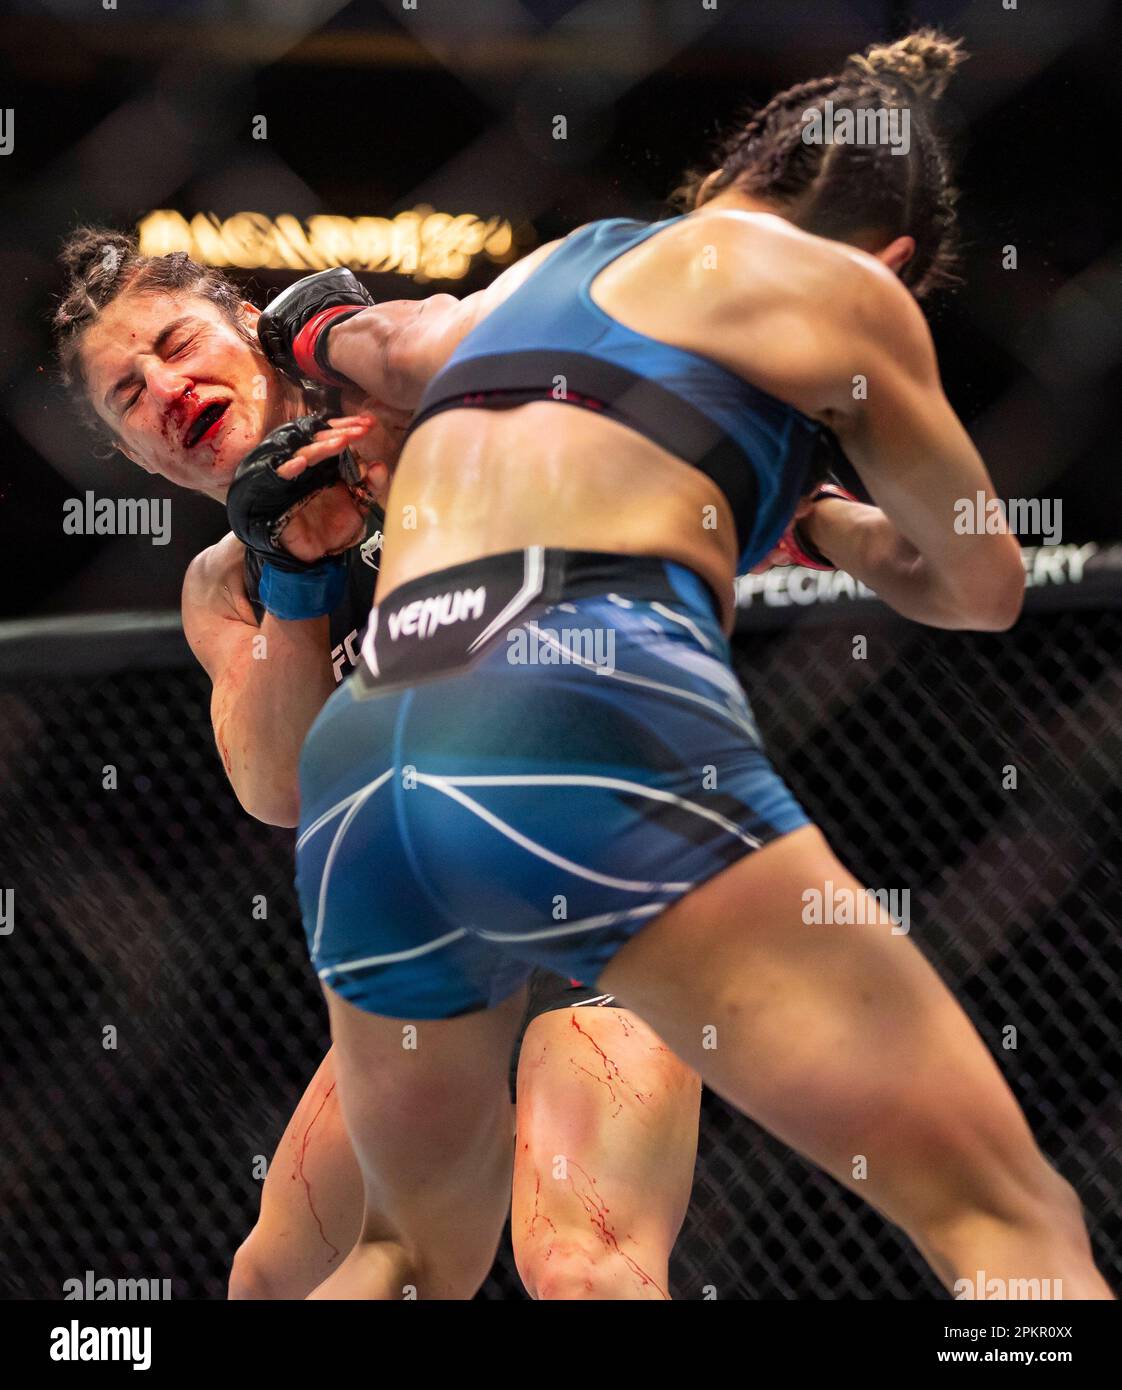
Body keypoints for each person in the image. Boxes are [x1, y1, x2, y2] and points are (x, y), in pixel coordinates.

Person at [266, 29, 1115, 1298]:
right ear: (890, 259)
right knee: (1008, 1217)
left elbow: (382, 347)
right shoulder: (832, 285)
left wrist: (311, 331)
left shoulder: (547, 271)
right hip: (569, 696)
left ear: (732, 175)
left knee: (399, 1251)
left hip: (361, 758)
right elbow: (982, 583)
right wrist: (820, 514)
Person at [53, 231, 702, 1301]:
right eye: (129, 393)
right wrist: (292, 576)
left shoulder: (422, 403)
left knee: (585, 1267)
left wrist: (352, 358)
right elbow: (277, 787)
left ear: (255, 340)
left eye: (177, 344)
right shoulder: (226, 586)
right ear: (134, 458)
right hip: (436, 937)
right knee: (272, 1276)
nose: (166, 387)